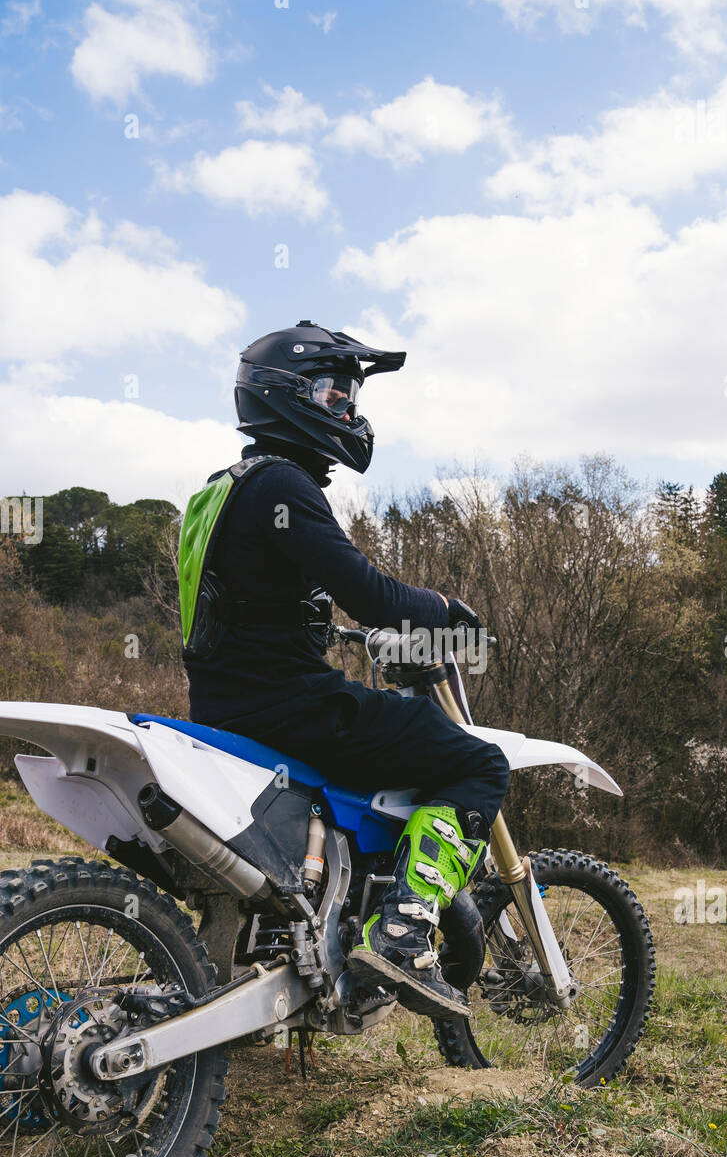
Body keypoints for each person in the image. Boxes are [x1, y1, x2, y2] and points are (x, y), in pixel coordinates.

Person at [178, 322, 510, 1019]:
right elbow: (368, 590)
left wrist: (339, 631)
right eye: (336, 394)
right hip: (291, 707)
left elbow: (245, 609)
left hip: (220, 710)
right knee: (479, 765)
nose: (350, 413)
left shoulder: (219, 492)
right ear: (284, 395)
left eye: (351, 398)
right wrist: (447, 608)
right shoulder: (283, 485)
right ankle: (401, 934)